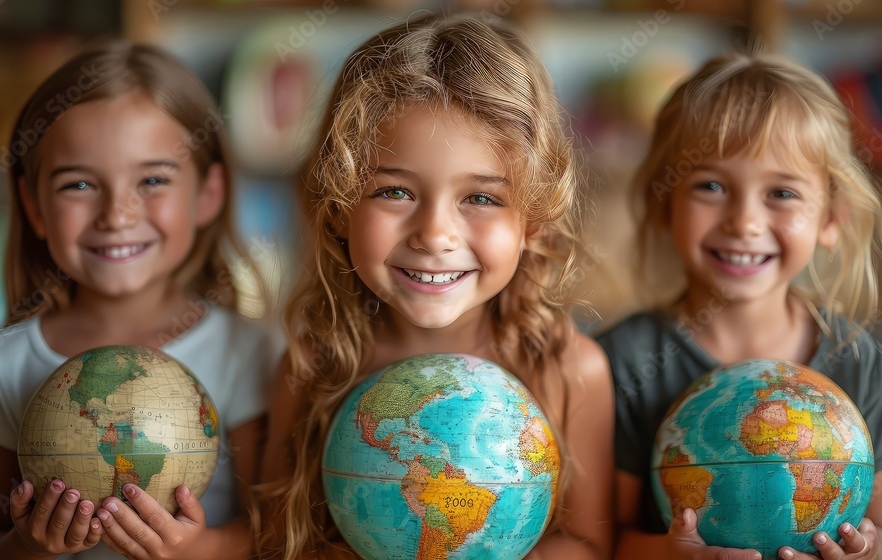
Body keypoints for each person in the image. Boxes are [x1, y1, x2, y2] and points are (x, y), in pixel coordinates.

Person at [256, 13, 615, 560]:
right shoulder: (313, 367)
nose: (434, 235)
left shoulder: (568, 368)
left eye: (481, 198)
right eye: (395, 192)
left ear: (533, 221)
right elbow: (276, 544)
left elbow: (588, 545)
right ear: (338, 208)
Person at [0, 41, 283, 560]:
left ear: (208, 192)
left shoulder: (250, 350)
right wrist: (31, 546)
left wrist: (196, 549)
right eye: (80, 184)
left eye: (153, 179)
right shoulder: (0, 363)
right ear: (33, 205)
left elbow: (272, 540)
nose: (117, 213)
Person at [597, 52, 882, 560]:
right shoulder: (618, 361)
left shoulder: (858, 361)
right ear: (663, 203)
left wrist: (866, 551)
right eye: (711, 186)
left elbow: (881, 536)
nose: (744, 221)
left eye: (781, 192)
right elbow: (610, 541)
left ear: (830, 218)